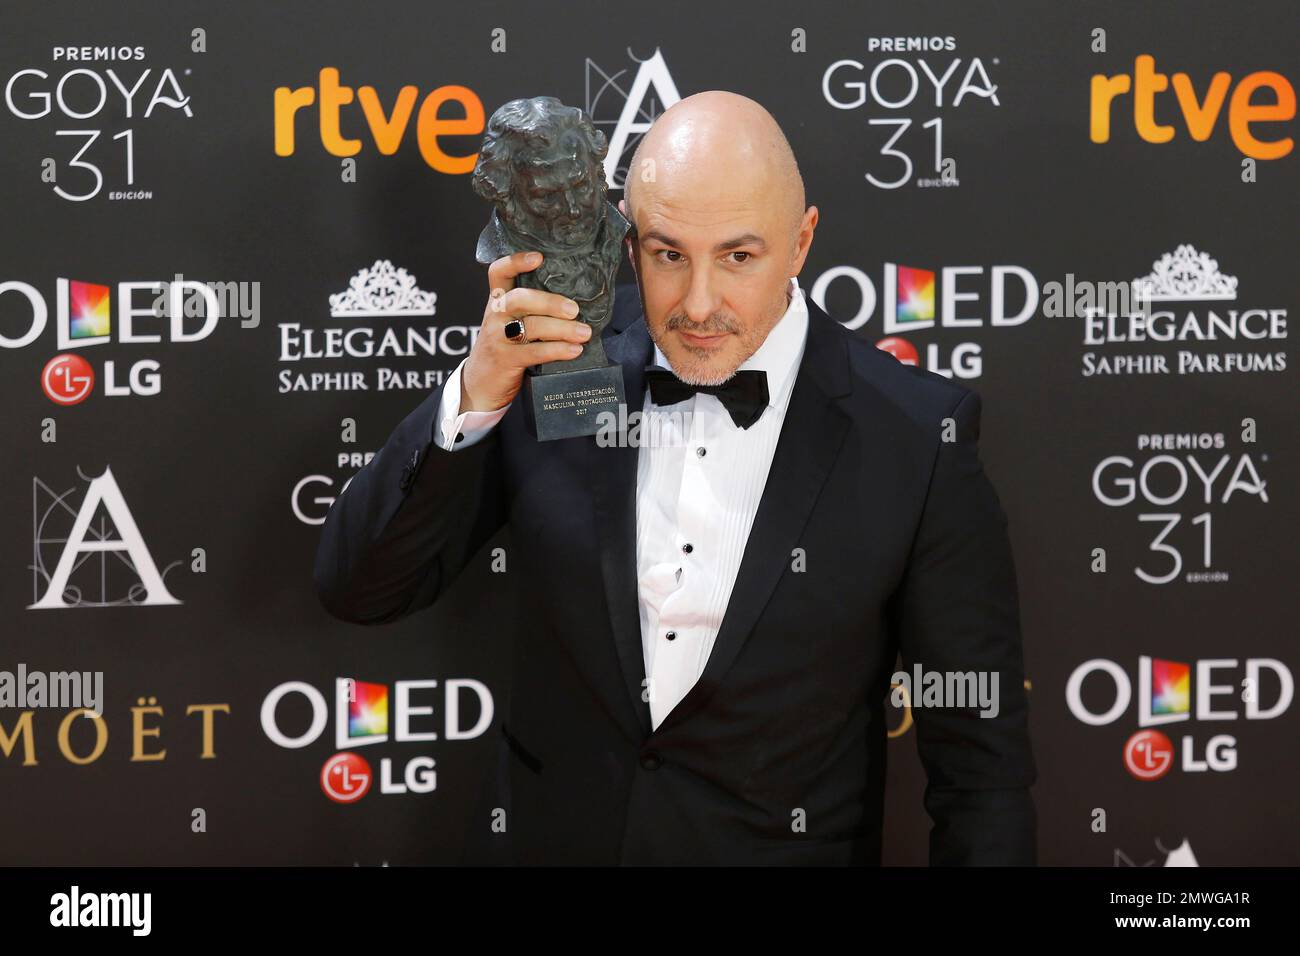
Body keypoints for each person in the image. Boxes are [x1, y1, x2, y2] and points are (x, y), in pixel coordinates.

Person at [314, 90, 1037, 865]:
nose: (698, 304)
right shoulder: (550, 365)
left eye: (738, 256)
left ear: (801, 243)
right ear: (627, 245)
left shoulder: (918, 438)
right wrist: (476, 395)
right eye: (668, 254)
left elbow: (979, 773)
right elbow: (362, 589)